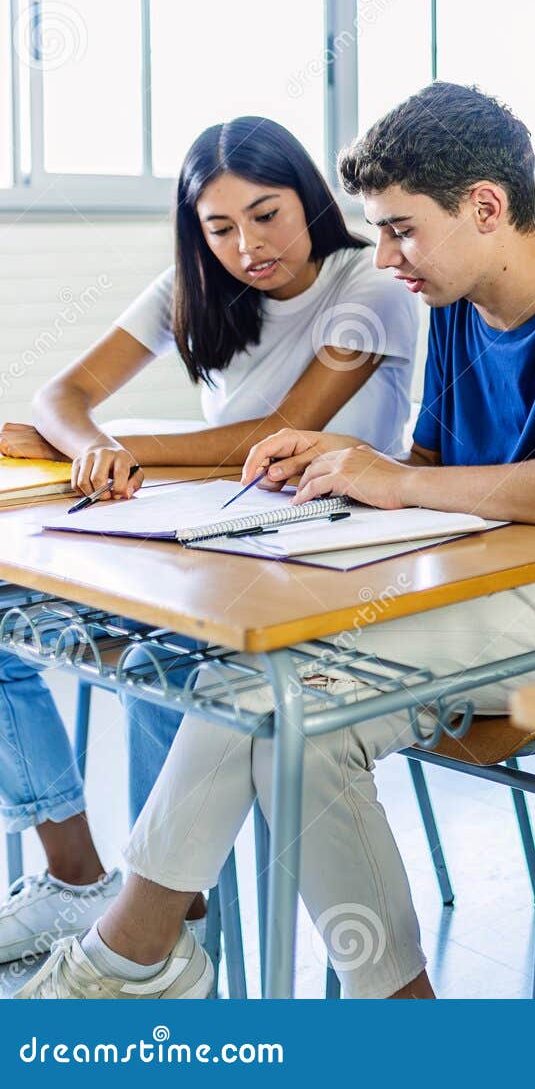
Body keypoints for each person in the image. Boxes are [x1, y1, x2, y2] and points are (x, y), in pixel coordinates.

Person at [15, 82, 535, 1000]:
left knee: (264, 695)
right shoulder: (453, 312)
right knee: (294, 721)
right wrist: (349, 469)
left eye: (402, 229)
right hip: (477, 588)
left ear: (486, 207)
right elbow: (430, 468)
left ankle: (126, 959)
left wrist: (396, 480)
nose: (387, 255)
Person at [0, 116, 417, 966]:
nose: (245, 245)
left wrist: (121, 444)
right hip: (214, 533)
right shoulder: (194, 285)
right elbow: (61, 394)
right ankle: (79, 876)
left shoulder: (366, 286)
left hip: (336, 545)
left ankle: (172, 917)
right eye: (217, 226)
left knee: (166, 650)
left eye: (266, 215)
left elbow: (275, 432)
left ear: (309, 197)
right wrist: (89, 444)